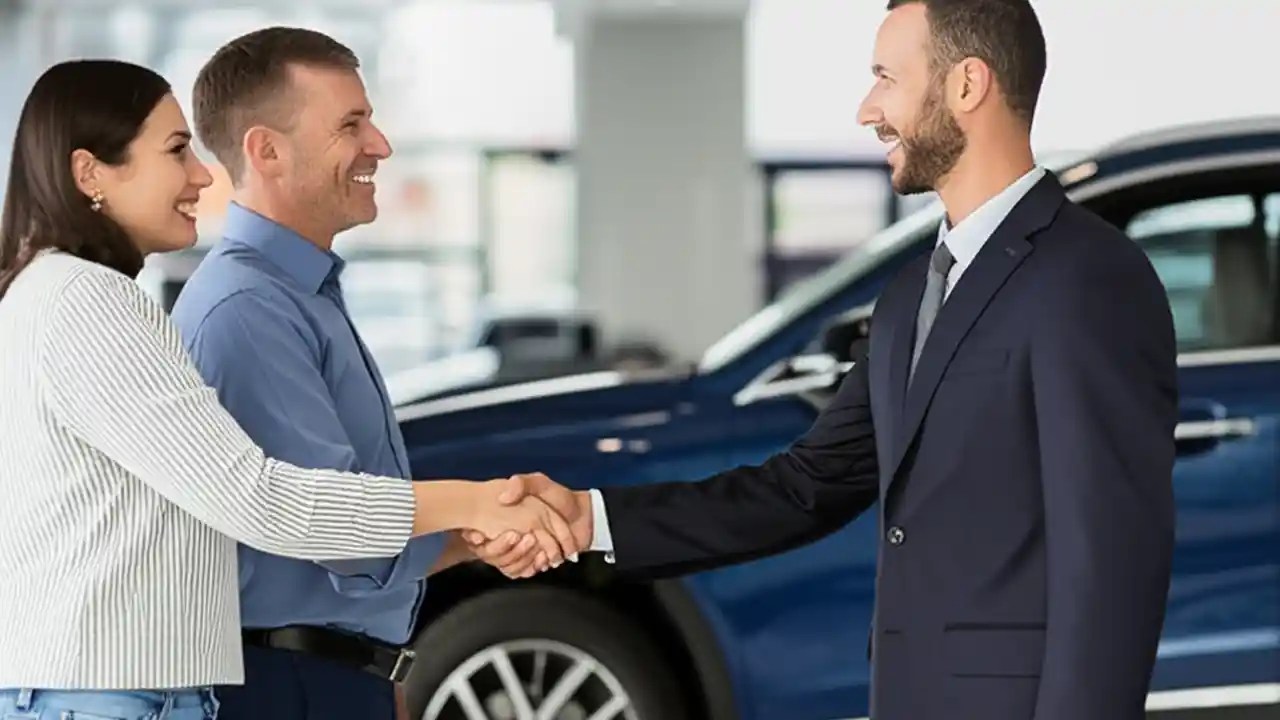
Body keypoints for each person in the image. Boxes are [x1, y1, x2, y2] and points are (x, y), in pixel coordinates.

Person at [472, 1, 1180, 718]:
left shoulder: (1089, 278)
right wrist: (588, 518)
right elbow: (802, 488)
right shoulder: (910, 295)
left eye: (885, 78)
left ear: (967, 86)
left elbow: (1112, 565)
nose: (867, 110)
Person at [0, 60, 575, 720]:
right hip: (112, 697)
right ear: (89, 173)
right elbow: (260, 499)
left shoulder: (47, 295)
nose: (201, 173)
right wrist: (475, 505)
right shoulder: (92, 302)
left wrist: (471, 530)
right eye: (176, 150)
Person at [167, 27, 562, 720]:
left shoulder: (297, 295)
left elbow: (350, 547)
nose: (380, 146)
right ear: (267, 151)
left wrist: (472, 542)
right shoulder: (247, 311)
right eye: (352, 125)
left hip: (327, 677)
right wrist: (477, 505)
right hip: (287, 686)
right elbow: (336, 525)